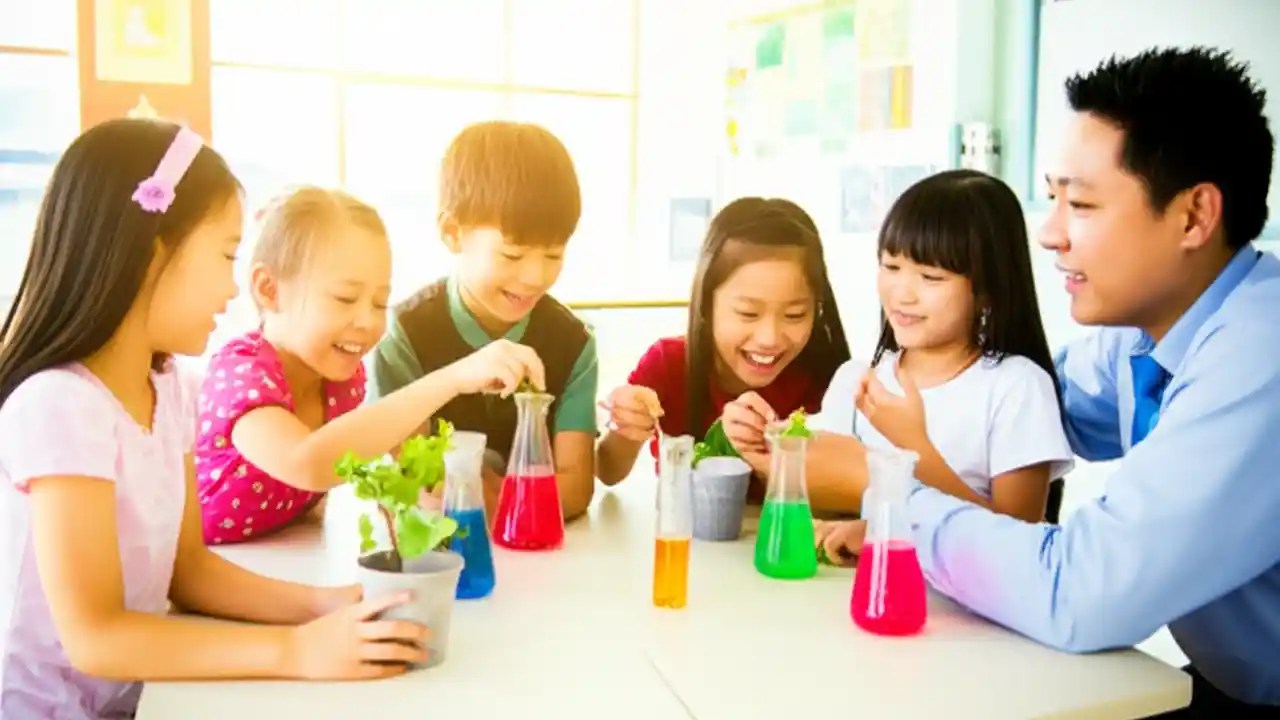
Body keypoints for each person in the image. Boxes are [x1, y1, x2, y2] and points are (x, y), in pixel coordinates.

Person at [0, 120, 427, 718]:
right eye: (226, 254)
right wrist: (294, 651)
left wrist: (327, 605)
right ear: (152, 253)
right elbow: (95, 637)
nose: (234, 290)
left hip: (139, 698)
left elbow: (189, 572)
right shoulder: (58, 403)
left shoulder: (166, 388)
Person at [902, 48, 1279, 713]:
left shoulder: (1262, 350)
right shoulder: (1141, 331)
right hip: (1224, 679)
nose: (1050, 235)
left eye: (1080, 204)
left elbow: (1078, 593)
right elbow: (1015, 410)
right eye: (1052, 199)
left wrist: (889, 500)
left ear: (1194, 217)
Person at [196, 187, 545, 544]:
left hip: (287, 557)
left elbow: (406, 459)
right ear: (269, 289)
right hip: (204, 574)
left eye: (380, 303)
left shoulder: (341, 379)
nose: (367, 321)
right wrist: (454, 377)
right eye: (345, 298)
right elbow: (307, 462)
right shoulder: (240, 373)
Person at [778, 170, 1072, 552]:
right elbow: (822, 500)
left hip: (967, 611)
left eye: (931, 277)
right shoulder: (859, 381)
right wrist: (763, 442)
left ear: (987, 291)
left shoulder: (1017, 387)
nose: (902, 293)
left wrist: (914, 450)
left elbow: (1019, 543)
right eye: (891, 266)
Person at [368, 121, 596, 519]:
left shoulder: (573, 343)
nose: (535, 277)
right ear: (452, 232)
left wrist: (490, 496)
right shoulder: (405, 333)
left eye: (554, 254)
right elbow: (418, 480)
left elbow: (575, 489)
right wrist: (521, 495)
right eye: (512, 254)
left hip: (540, 552)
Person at [596, 197, 850, 503]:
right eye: (747, 313)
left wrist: (769, 452)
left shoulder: (830, 380)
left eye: (795, 315)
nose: (769, 338)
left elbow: (843, 497)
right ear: (707, 303)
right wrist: (626, 426)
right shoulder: (669, 364)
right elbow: (608, 470)